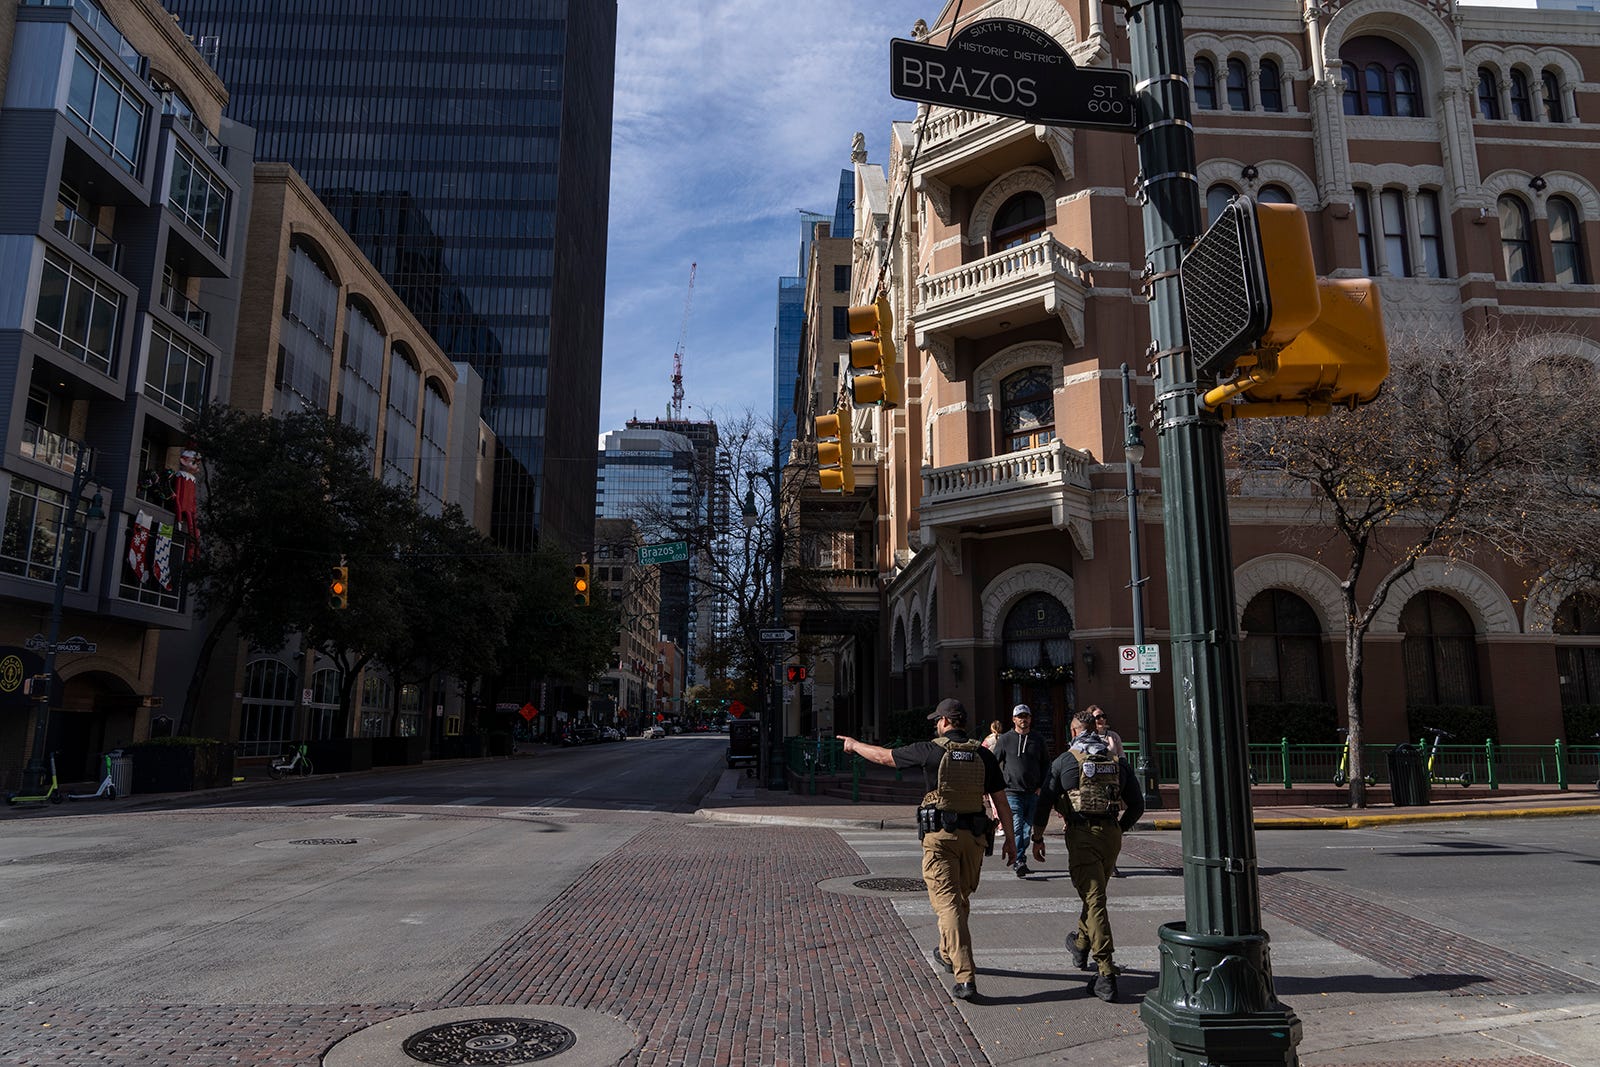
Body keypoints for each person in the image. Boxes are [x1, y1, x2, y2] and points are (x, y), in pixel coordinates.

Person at [838, 698, 1013, 1001]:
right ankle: (947, 952)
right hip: (974, 839)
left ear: (946, 722)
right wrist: (1010, 838)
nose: (935, 724)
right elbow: (1000, 801)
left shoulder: (930, 750)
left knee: (948, 905)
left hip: (940, 838)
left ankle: (965, 976)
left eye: (937, 720)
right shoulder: (983, 754)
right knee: (959, 900)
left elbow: (883, 757)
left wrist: (854, 745)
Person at [1031, 708, 1145, 1002]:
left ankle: (1105, 972)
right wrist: (1119, 828)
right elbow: (1137, 805)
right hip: (1111, 836)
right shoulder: (1117, 762)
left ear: (1073, 732)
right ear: (1095, 729)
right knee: (1094, 895)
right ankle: (1081, 945)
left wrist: (1038, 837)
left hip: (1082, 835)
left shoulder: (1065, 761)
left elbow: (1044, 801)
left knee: (1095, 899)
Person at [990, 704, 1051, 878]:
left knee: (1026, 828)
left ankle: (1020, 857)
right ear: (1014, 719)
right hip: (1011, 791)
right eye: (1020, 716)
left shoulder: (1038, 740)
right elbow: (994, 762)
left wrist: (1041, 785)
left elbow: (1046, 764)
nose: (1023, 719)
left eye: (1026, 716)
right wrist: (996, 785)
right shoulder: (1005, 739)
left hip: (1032, 792)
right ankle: (1019, 860)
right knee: (1017, 826)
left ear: (1030, 719)